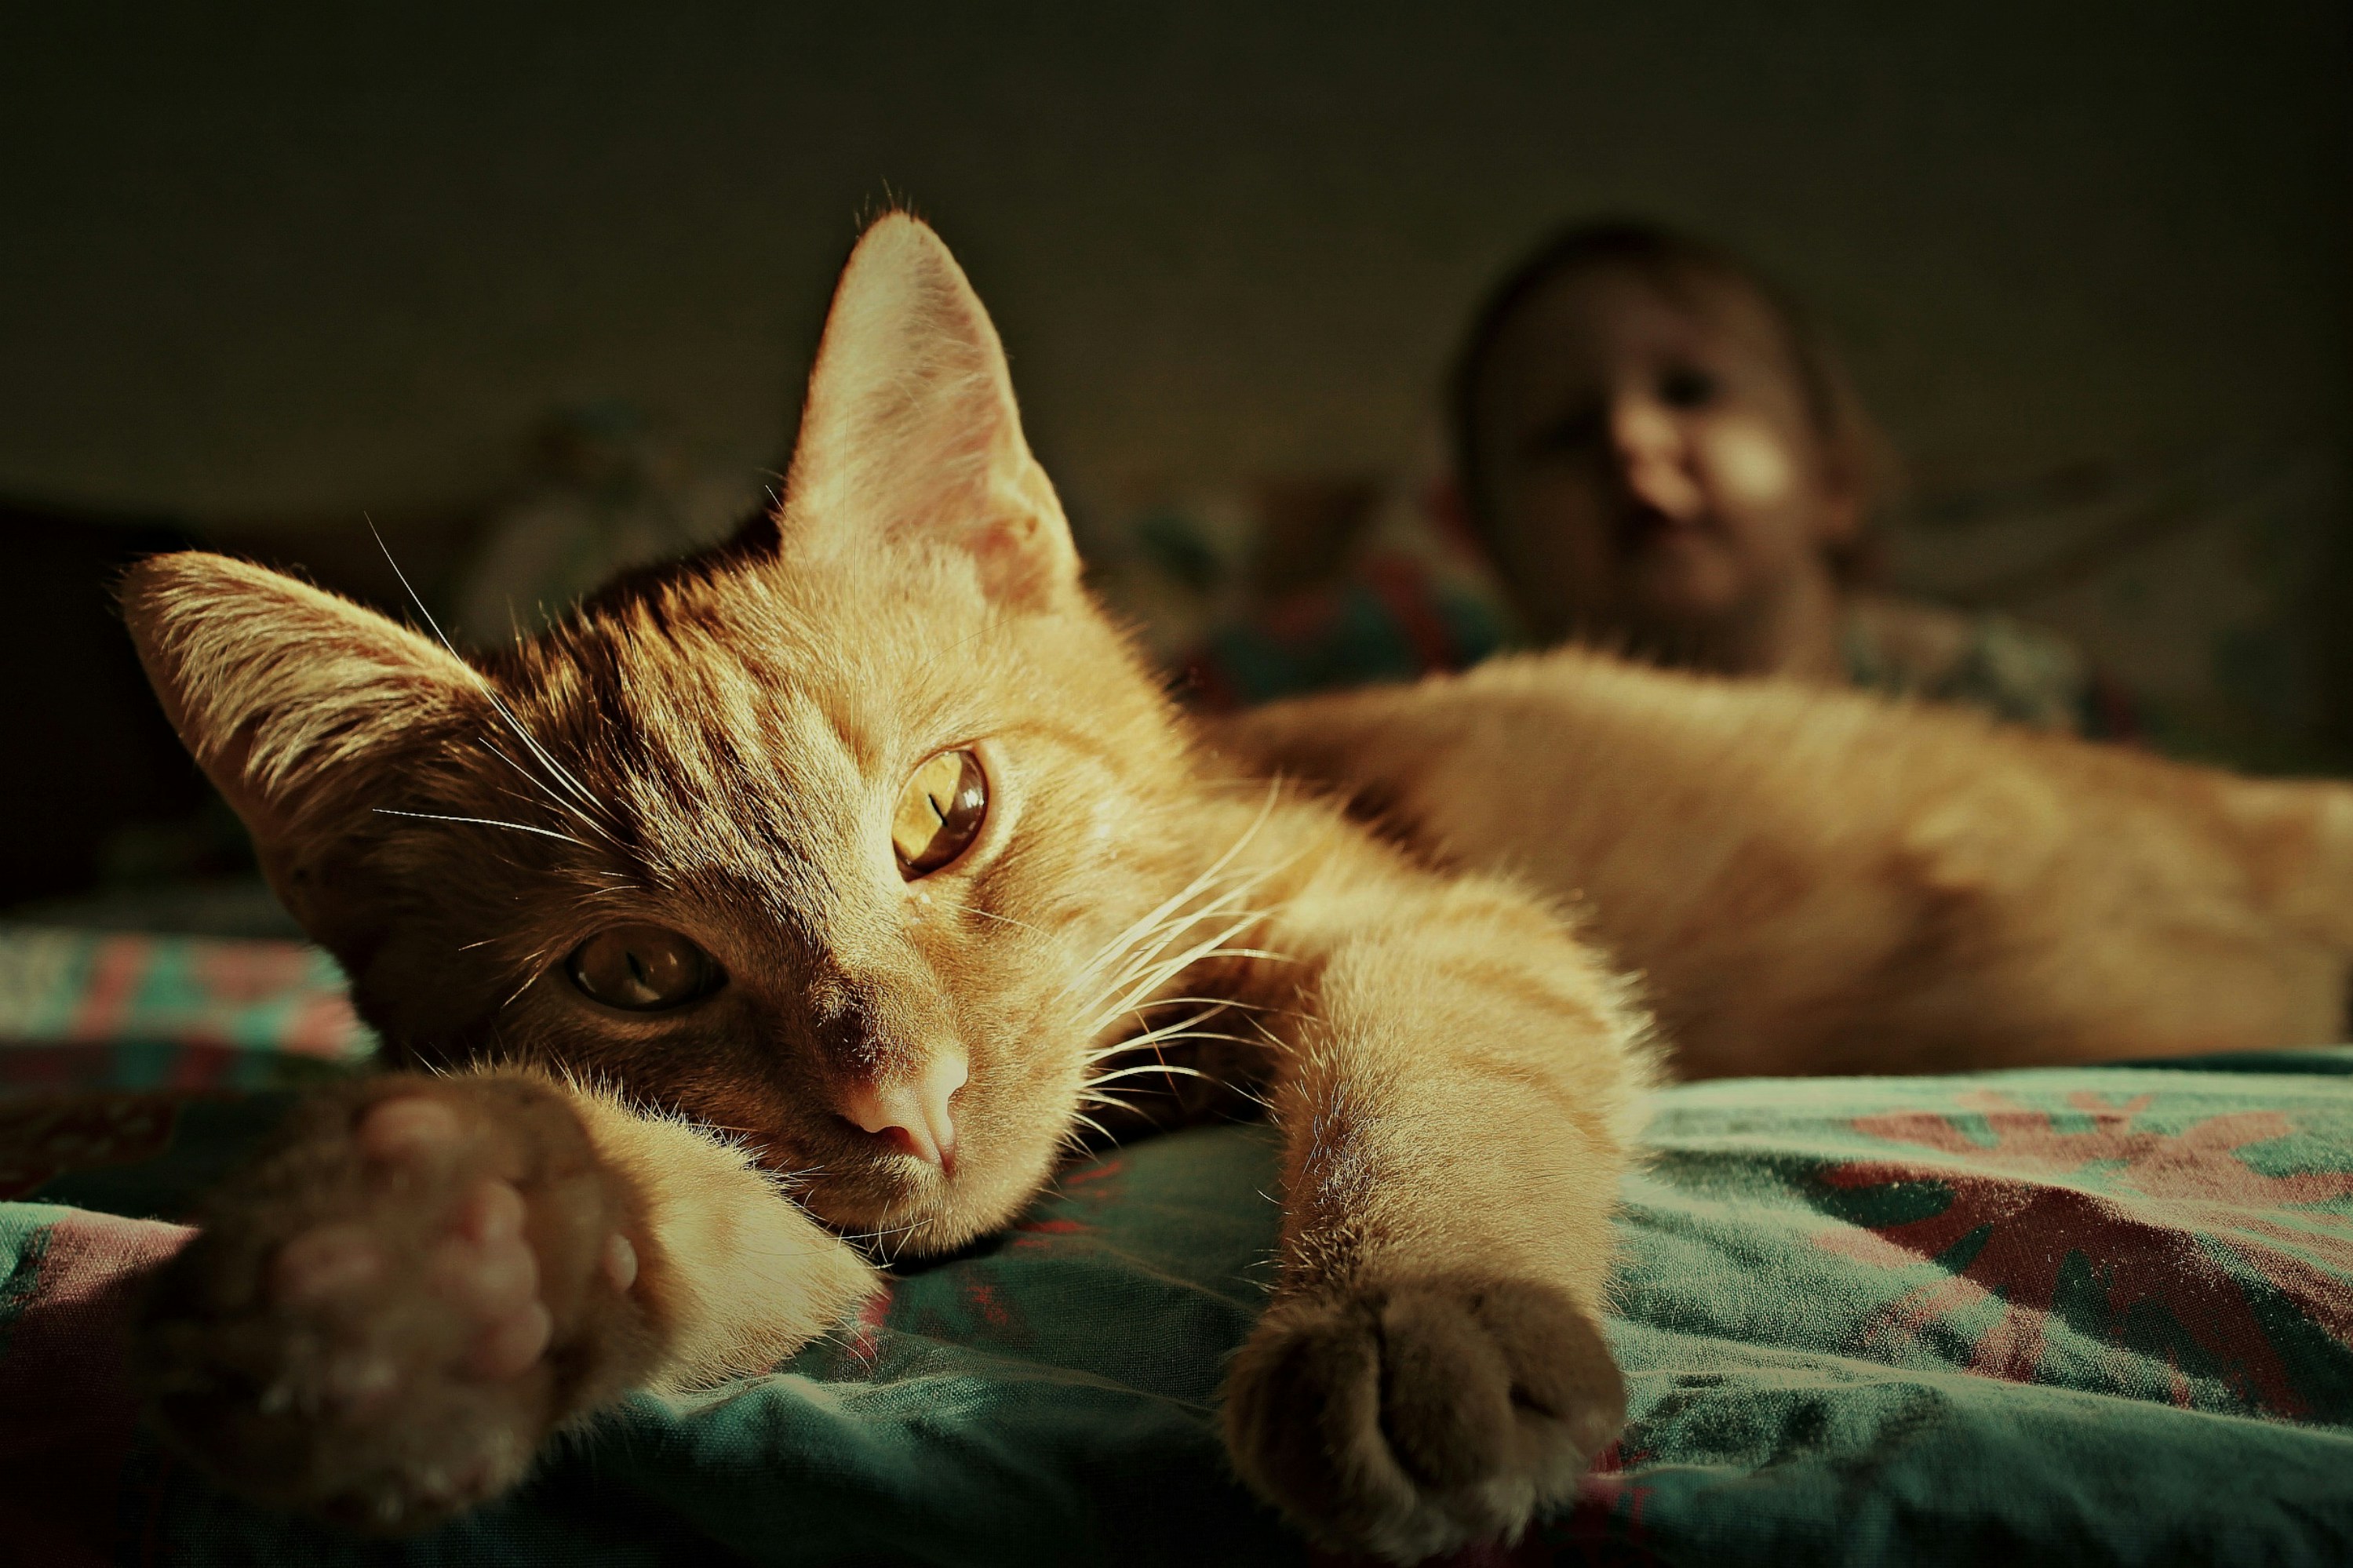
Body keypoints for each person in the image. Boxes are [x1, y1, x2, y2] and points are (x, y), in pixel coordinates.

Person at [1447, 221, 2131, 736]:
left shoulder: (1992, 693)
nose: (1632, 437)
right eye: (1565, 431)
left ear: (1835, 482)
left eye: (1689, 390)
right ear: (1496, 560)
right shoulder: (1502, 763)